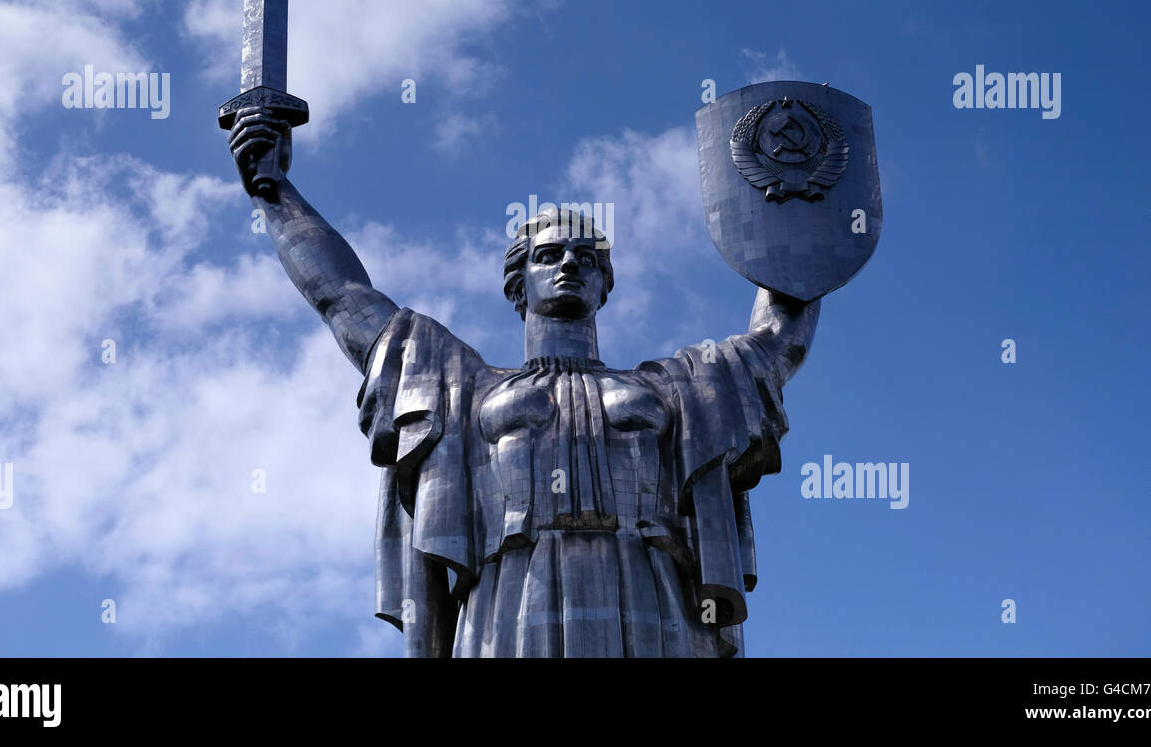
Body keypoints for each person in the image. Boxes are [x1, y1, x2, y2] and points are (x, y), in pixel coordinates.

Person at [228, 107, 820, 657]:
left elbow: (778, 340)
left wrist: (796, 208)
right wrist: (276, 192)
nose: (569, 264)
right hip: (510, 594)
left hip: (651, 589)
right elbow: (345, 300)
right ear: (519, 283)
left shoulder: (680, 389)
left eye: (587, 258)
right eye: (550, 254)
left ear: (603, 286)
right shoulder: (465, 388)